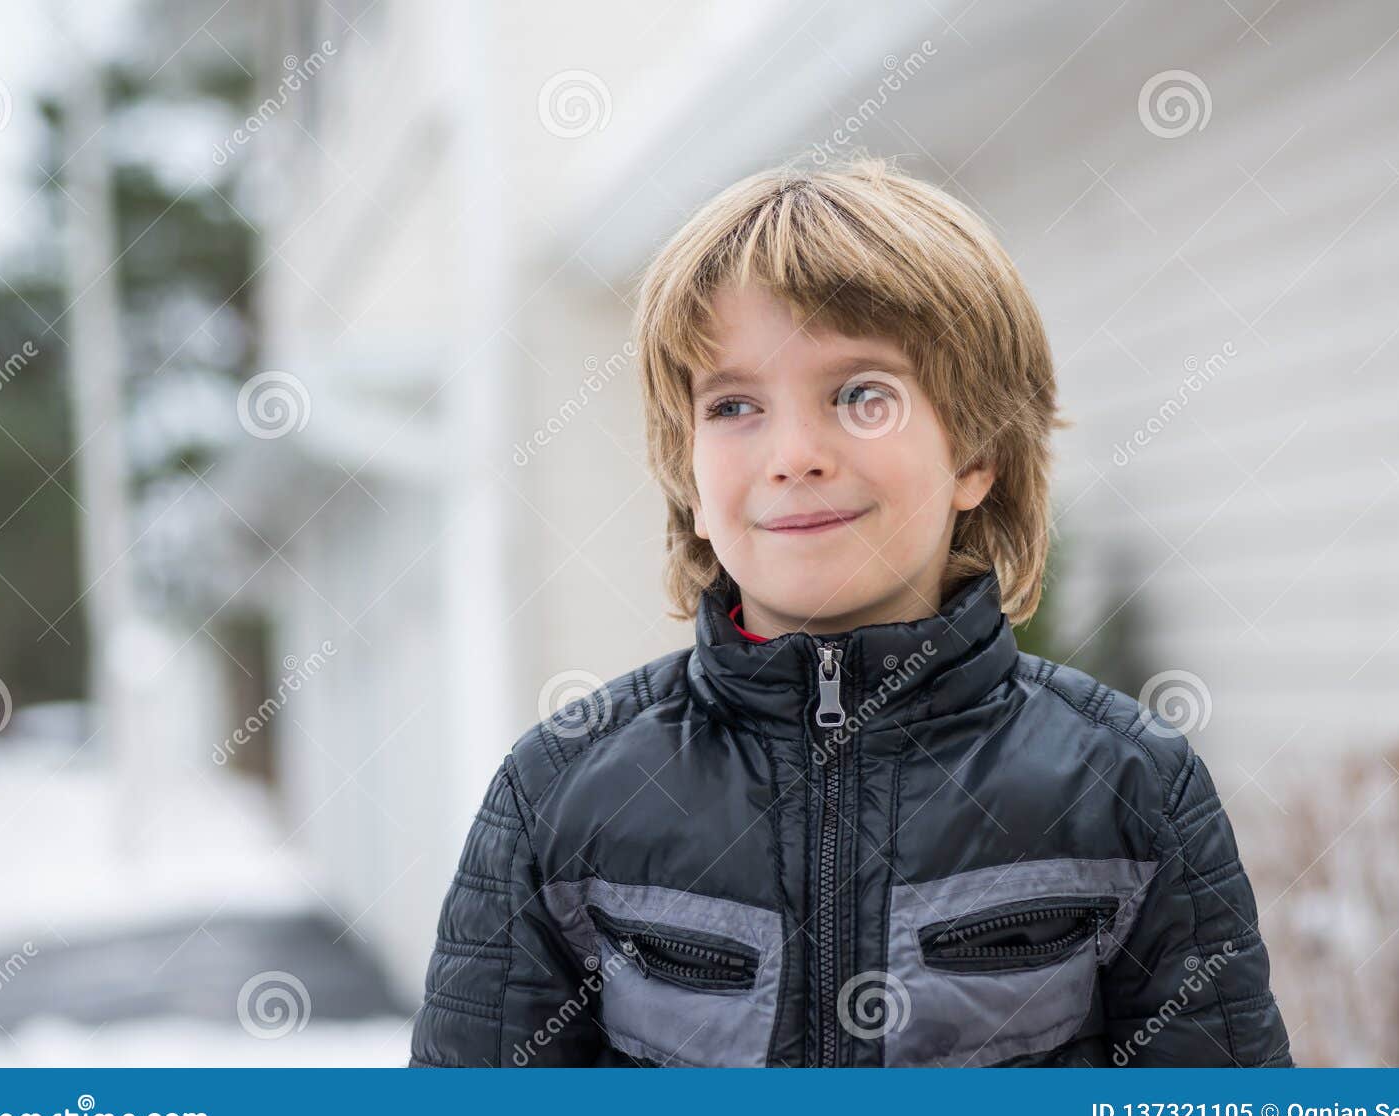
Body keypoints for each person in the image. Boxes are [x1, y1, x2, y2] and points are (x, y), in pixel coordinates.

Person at [408, 156, 1293, 1067]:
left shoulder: (1127, 788)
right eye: (735, 404)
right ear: (692, 483)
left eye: (861, 395)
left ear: (976, 452)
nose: (795, 453)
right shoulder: (561, 796)